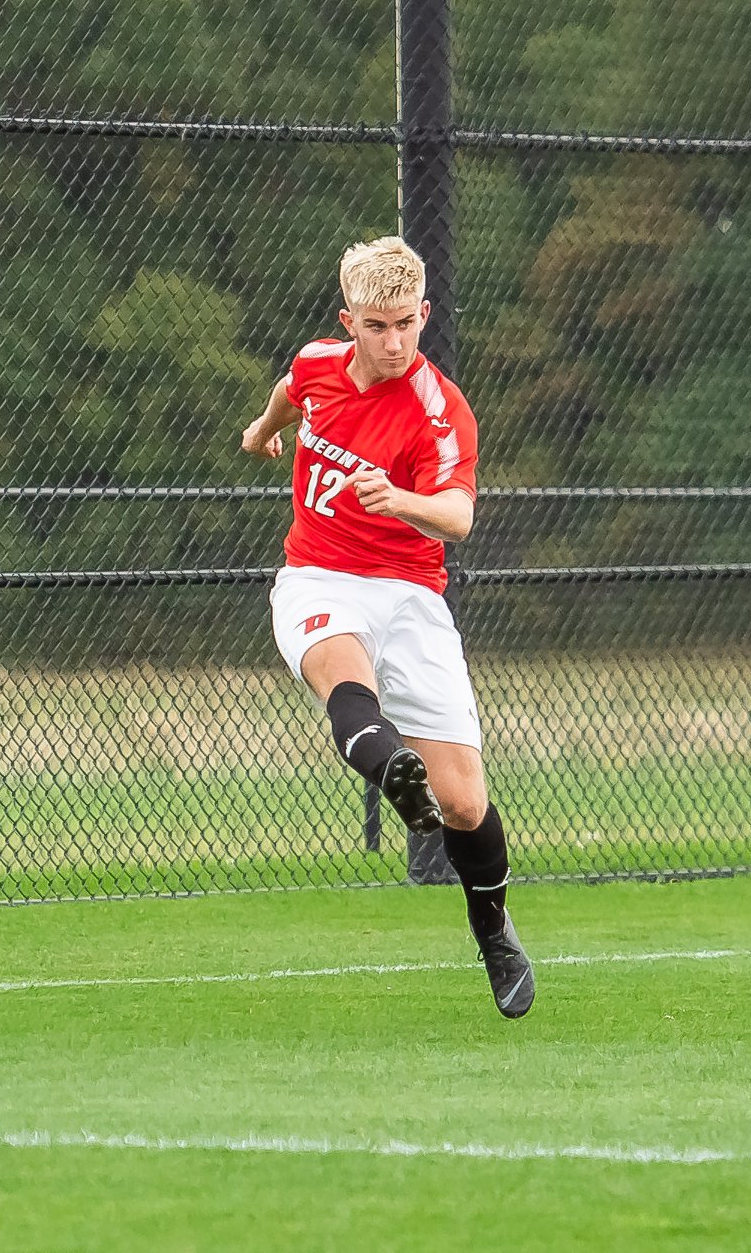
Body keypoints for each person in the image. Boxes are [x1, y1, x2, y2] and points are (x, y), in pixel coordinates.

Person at [240, 235, 534, 1019]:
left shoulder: (440, 410)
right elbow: (287, 389)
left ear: (424, 314)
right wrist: (262, 429)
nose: (395, 340)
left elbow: (460, 516)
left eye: (407, 322)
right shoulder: (317, 366)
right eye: (377, 325)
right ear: (349, 322)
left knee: (467, 804)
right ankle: (396, 776)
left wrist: (398, 499)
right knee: (344, 677)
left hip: (409, 593)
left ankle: (494, 930)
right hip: (319, 575)